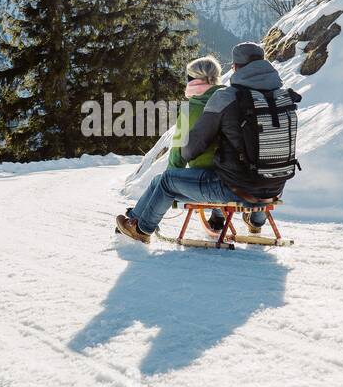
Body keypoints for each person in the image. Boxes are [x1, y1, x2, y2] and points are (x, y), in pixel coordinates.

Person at [116, 42, 297, 243]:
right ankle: (256, 220)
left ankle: (141, 230)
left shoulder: (226, 97)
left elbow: (193, 147)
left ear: (235, 67)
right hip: (276, 186)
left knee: (167, 180)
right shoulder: (283, 97)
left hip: (235, 189)